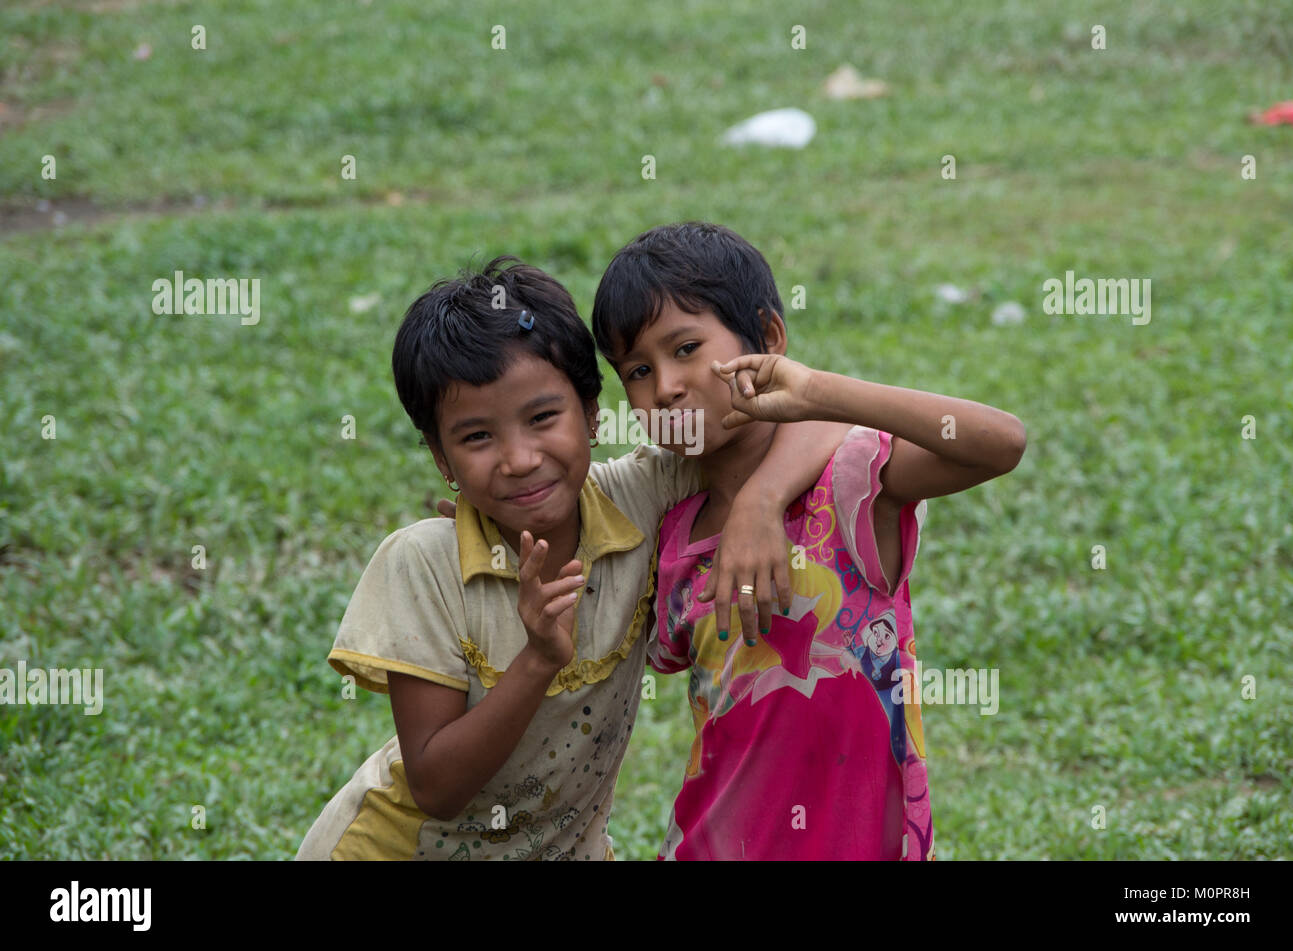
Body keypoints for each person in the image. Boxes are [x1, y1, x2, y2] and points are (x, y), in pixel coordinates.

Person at [295, 255, 847, 860]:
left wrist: (761, 501)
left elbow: (817, 418)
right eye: (477, 436)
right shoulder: (425, 564)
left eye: (542, 418)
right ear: (441, 458)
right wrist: (538, 661)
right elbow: (435, 786)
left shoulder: (640, 497)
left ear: (590, 413)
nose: (519, 458)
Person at [591, 222, 1026, 859]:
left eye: (685, 348)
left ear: (768, 339)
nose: (665, 387)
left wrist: (807, 395)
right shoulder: (672, 535)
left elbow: (1001, 442)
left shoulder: (850, 490)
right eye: (636, 370)